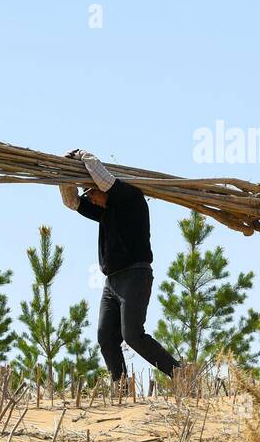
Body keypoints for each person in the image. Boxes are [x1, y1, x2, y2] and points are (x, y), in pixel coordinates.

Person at [59, 149, 183, 386]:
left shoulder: (130, 198)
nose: (90, 198)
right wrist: (62, 171)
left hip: (135, 275)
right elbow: (72, 202)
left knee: (133, 335)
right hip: (112, 282)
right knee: (105, 337)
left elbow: (105, 181)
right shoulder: (104, 212)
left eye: (90, 192)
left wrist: (83, 155)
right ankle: (122, 388)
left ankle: (182, 375)